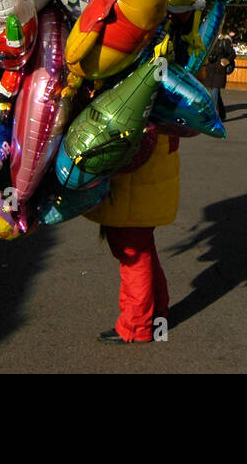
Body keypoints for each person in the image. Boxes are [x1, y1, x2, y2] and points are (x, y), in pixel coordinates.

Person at [88, 132, 180, 344]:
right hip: (153, 169)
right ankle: (157, 312)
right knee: (142, 246)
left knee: (133, 252)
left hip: (136, 175)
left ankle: (137, 326)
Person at [201, 31, 236, 123]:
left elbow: (233, 54)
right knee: (216, 94)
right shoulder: (210, 40)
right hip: (211, 70)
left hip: (219, 71)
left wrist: (226, 61)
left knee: (214, 94)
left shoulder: (225, 41)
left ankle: (214, 117)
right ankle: (222, 114)